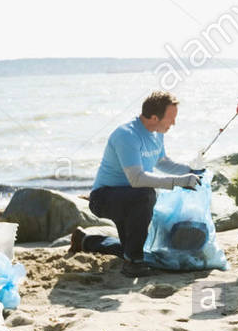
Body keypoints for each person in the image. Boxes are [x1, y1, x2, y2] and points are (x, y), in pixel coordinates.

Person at [83, 91, 202, 277]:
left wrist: (191, 171)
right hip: (105, 198)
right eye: (171, 119)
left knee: (131, 247)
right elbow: (136, 179)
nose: (174, 123)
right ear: (154, 117)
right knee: (146, 194)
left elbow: (162, 162)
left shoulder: (157, 133)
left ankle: (85, 241)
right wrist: (179, 182)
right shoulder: (126, 135)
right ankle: (133, 264)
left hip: (132, 198)